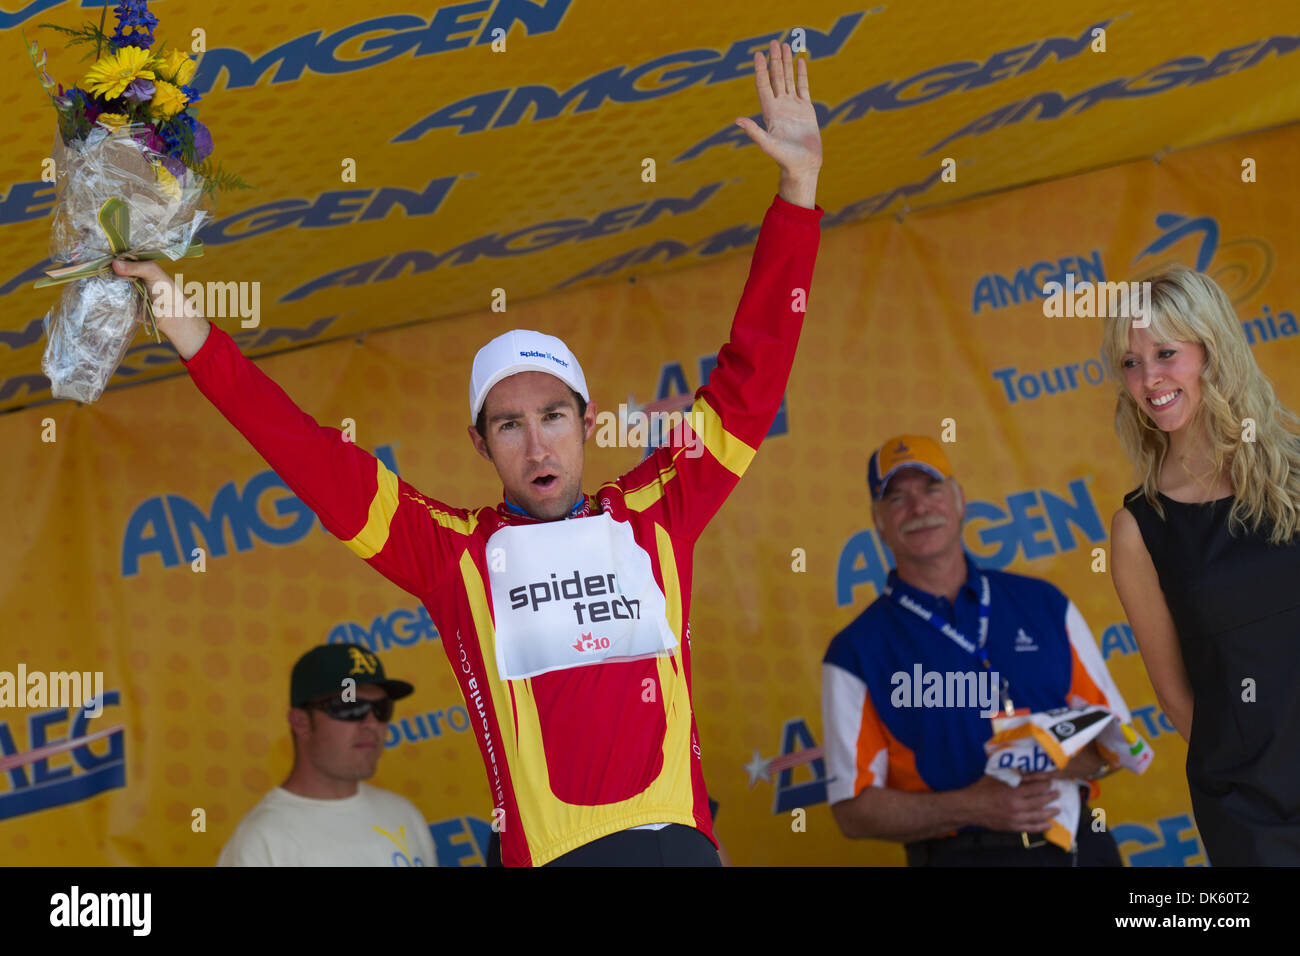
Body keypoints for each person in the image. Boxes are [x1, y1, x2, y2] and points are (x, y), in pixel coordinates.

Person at [117, 40, 823, 866]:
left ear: (589, 422)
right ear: (480, 444)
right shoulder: (454, 554)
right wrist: (191, 333)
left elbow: (752, 377)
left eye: (553, 416)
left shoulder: (658, 513)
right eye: (509, 426)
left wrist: (798, 192)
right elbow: (305, 453)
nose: (537, 443)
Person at [821, 435, 1131, 866]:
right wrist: (974, 806)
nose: (919, 508)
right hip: (961, 854)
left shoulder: (1044, 604)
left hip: (1079, 845)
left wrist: (1046, 760)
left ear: (960, 499)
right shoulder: (855, 651)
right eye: (897, 498)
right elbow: (852, 811)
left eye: (931, 489)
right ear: (878, 520)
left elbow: (1116, 743)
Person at [1105, 267, 1300, 865]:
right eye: (1131, 362)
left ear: (1212, 351)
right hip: (1250, 813)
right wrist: (1247, 772)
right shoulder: (1138, 529)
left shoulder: (1294, 473)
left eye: (1166, 352)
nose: (1149, 378)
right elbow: (1175, 698)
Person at [218, 643, 437, 866]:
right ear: (301, 722)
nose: (372, 723)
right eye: (350, 707)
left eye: (382, 709)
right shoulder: (261, 842)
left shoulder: (404, 814)